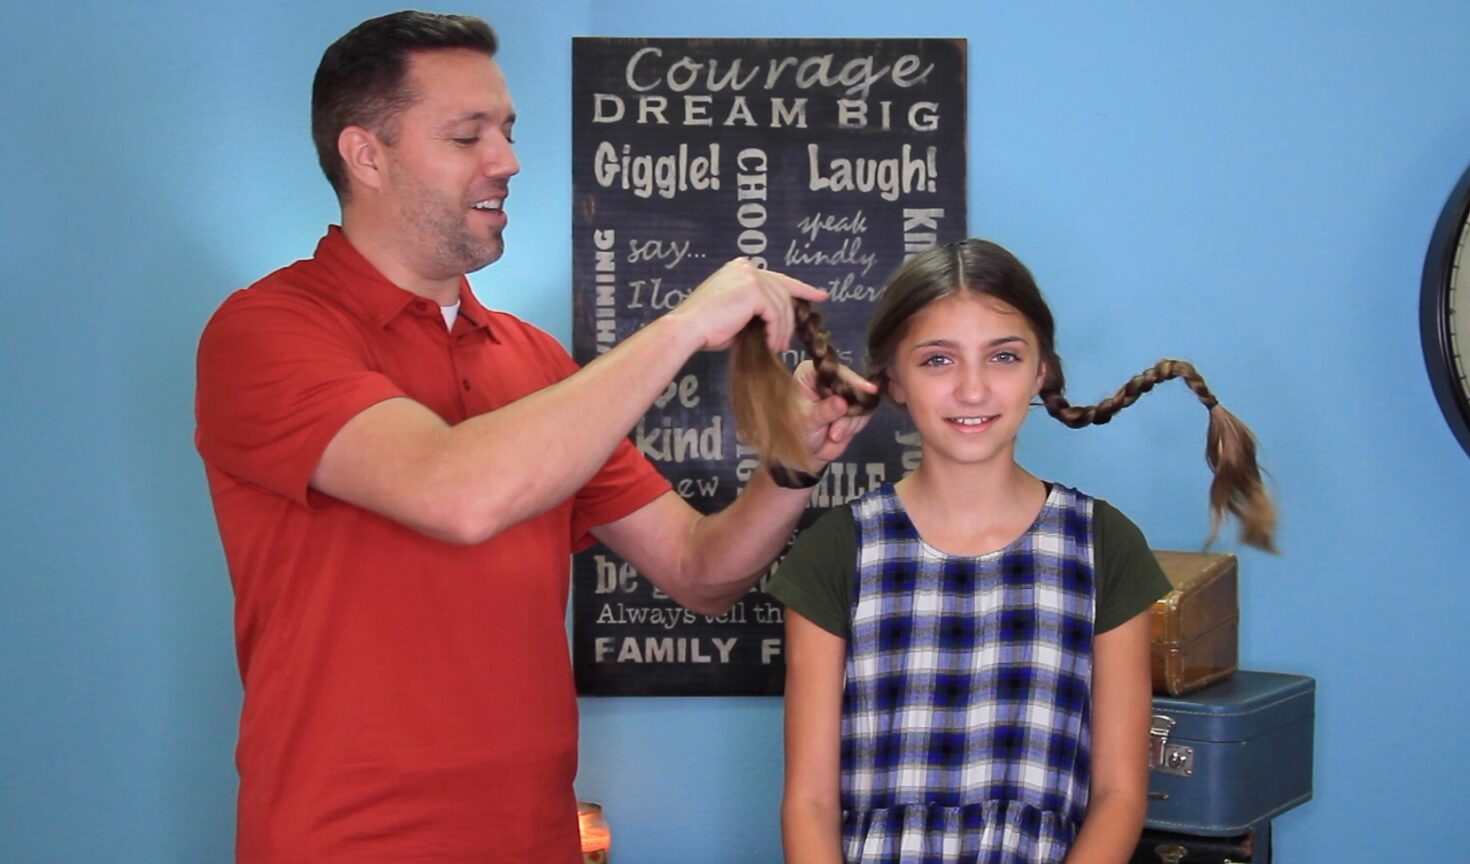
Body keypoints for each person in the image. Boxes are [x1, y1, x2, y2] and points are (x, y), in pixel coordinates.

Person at [193, 11, 872, 863]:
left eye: (507, 132)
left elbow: (701, 573)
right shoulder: (267, 331)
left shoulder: (535, 362)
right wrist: (682, 326)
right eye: (467, 135)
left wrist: (794, 464)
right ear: (366, 155)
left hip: (535, 840)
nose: (506, 161)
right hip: (341, 842)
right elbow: (456, 493)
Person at [763, 239, 1276, 863]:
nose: (973, 389)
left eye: (1002, 356)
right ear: (892, 379)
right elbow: (809, 804)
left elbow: (1119, 793)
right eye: (938, 361)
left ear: (1042, 372)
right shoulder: (836, 552)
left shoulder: (1102, 545)